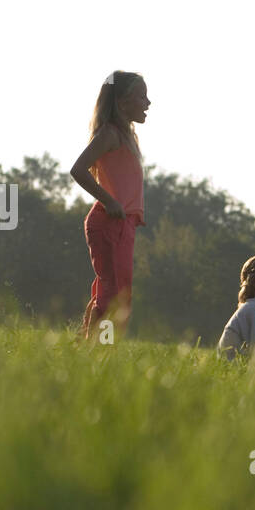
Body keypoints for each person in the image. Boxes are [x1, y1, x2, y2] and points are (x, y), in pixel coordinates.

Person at [70, 71, 150, 341]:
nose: (148, 103)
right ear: (123, 101)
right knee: (114, 292)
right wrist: (110, 200)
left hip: (123, 224)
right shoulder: (110, 135)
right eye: (142, 96)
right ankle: (103, 348)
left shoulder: (128, 137)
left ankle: (91, 345)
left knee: (116, 290)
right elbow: (78, 169)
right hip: (108, 222)